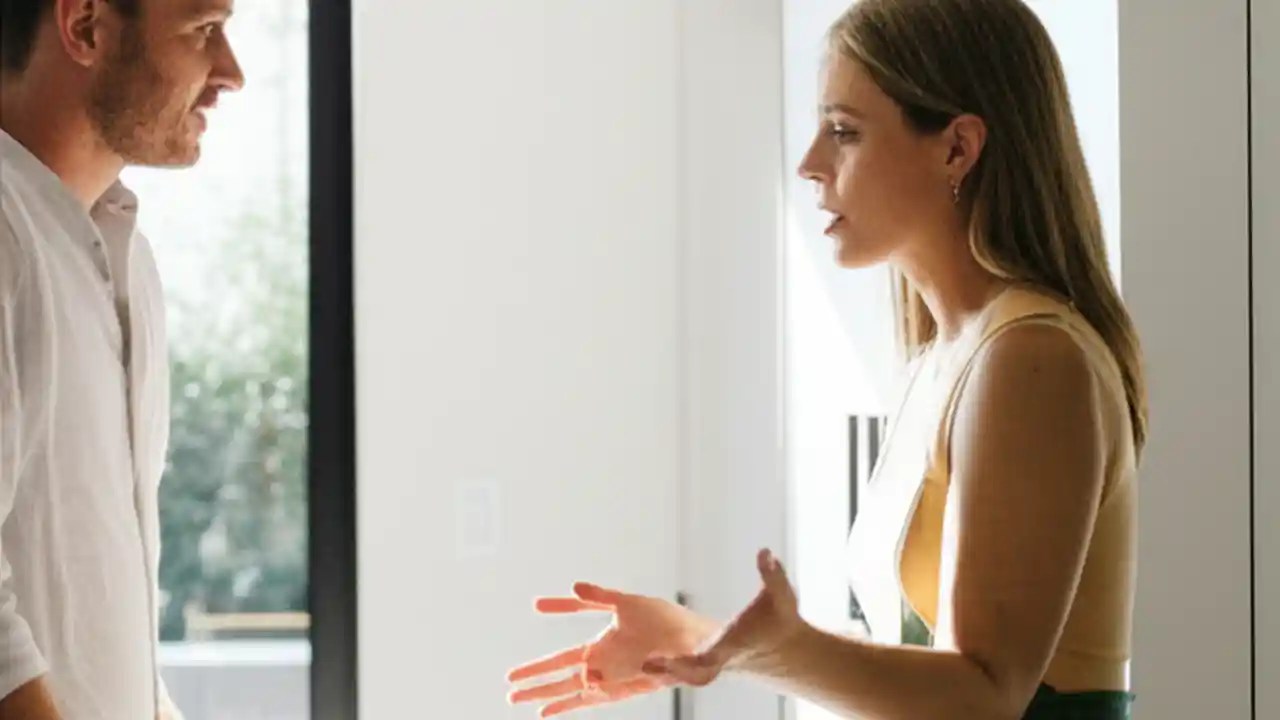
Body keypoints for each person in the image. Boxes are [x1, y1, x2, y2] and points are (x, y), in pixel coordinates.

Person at [505, 0, 1146, 717]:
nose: (811, 165)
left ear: (957, 148)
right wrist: (712, 641)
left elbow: (985, 697)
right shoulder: (942, 359)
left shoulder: (1032, 358)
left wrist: (778, 650)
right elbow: (919, 663)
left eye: (844, 132)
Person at [0, 0, 244, 717]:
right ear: (85, 26)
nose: (230, 72)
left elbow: (99, 618)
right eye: (204, 30)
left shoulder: (127, 259)